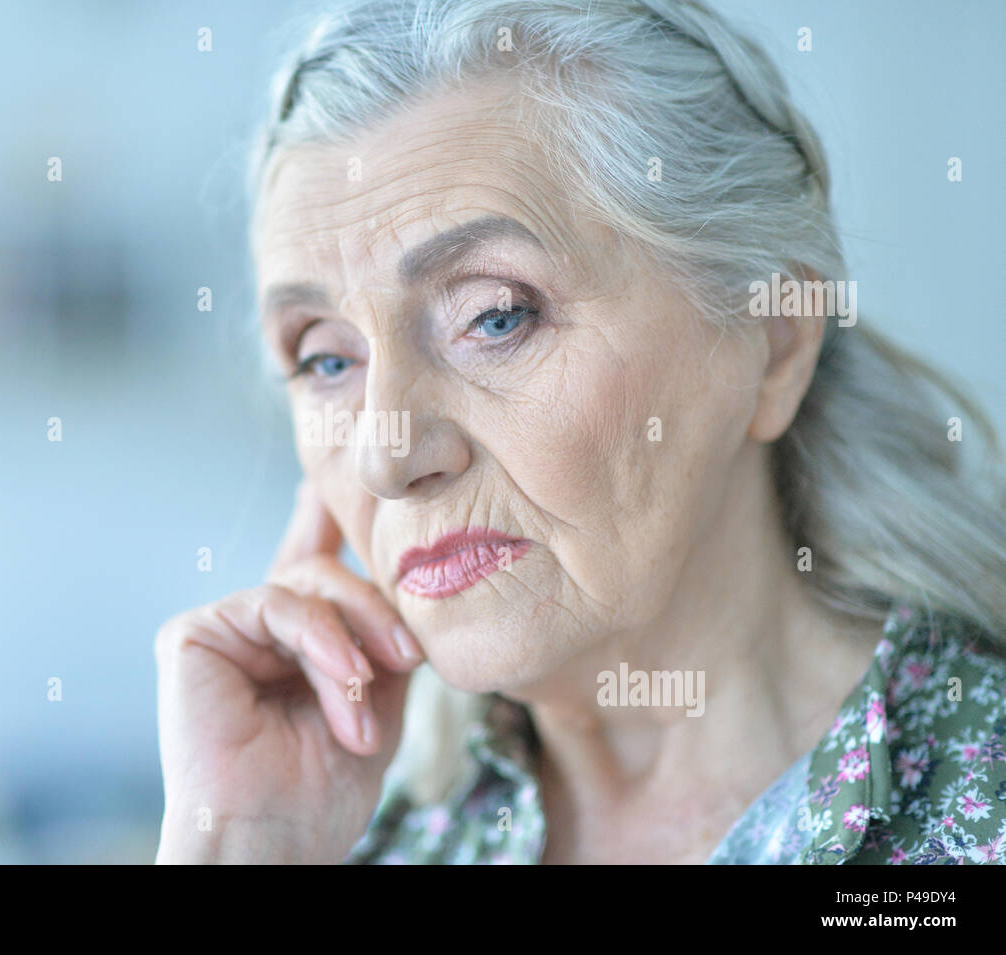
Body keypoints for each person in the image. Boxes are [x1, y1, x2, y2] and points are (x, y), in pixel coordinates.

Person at [154, 0, 1006, 864]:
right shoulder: (374, 840)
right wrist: (239, 845)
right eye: (328, 361)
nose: (385, 454)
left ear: (773, 338)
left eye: (495, 316)